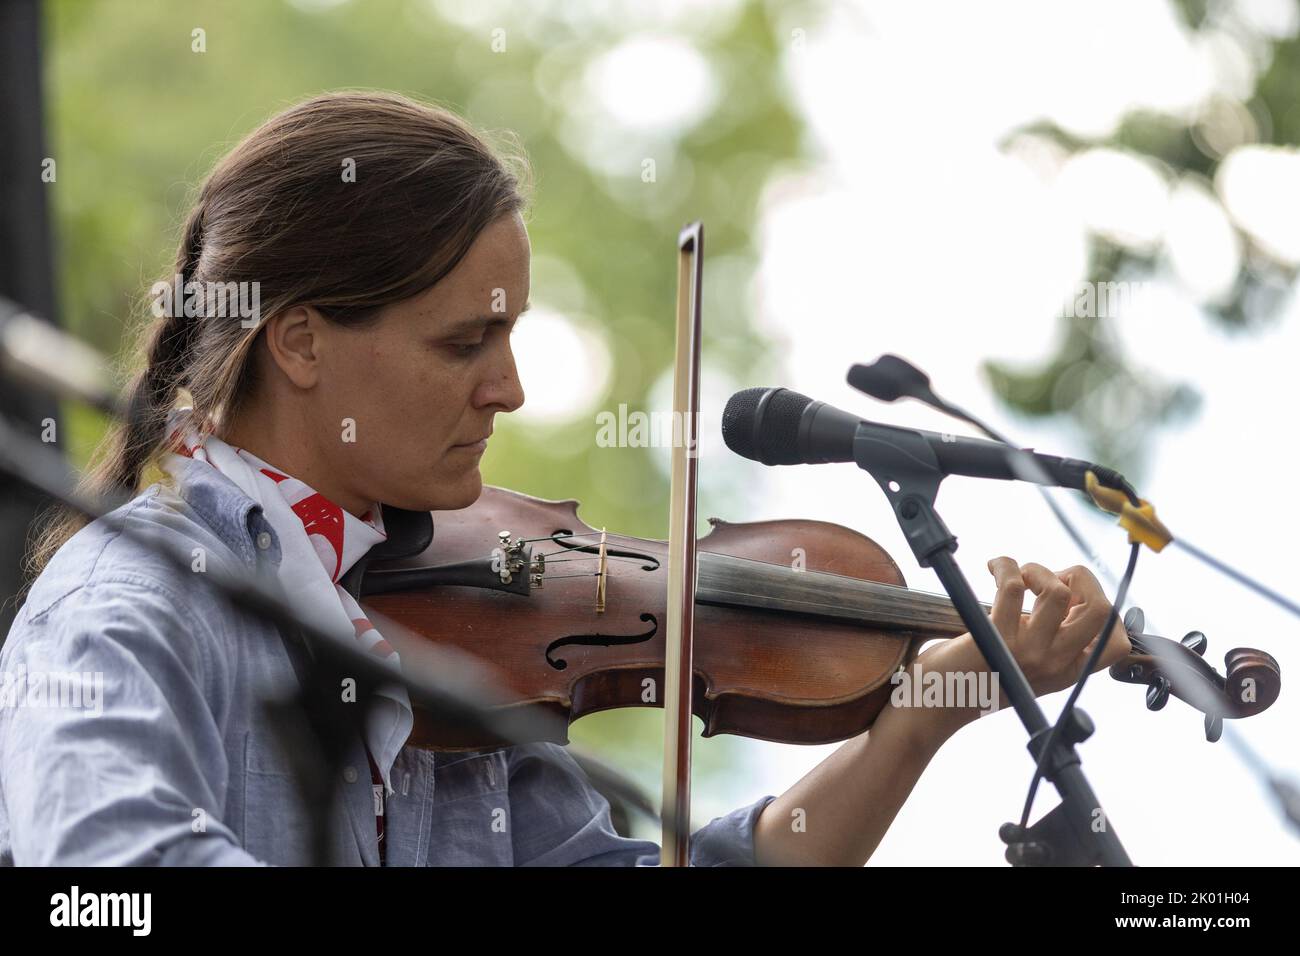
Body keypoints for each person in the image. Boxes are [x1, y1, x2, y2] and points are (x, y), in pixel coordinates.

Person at [0, 91, 1132, 866]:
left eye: (511, 337)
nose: (509, 389)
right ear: (298, 343)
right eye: (463, 343)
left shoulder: (434, 640)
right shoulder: (129, 600)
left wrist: (918, 719)